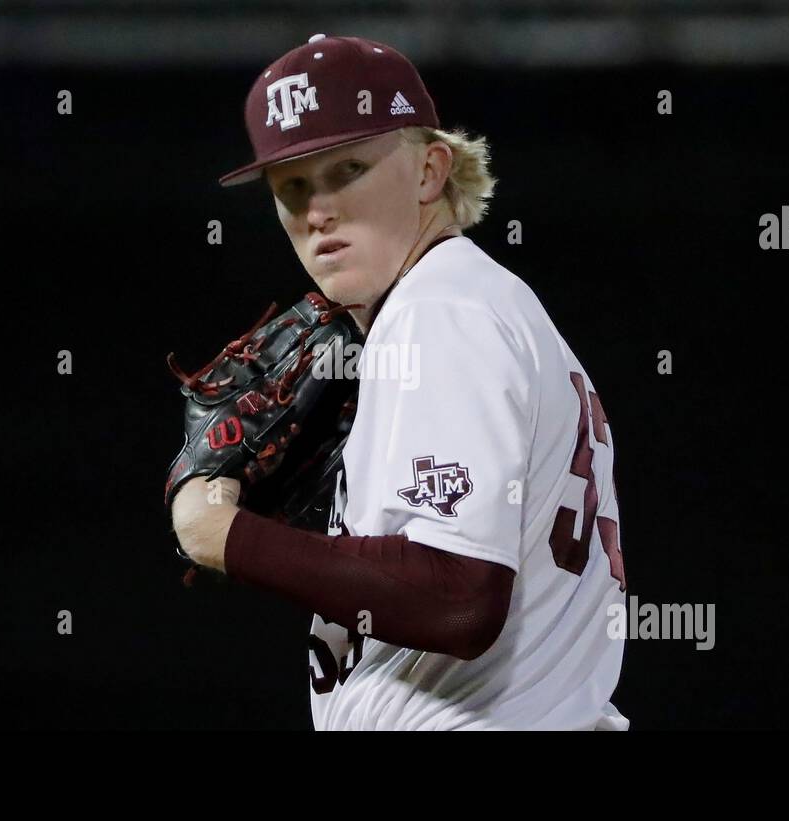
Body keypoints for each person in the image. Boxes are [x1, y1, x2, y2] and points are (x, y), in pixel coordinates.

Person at [171, 33, 628, 730]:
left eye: (348, 169)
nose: (318, 212)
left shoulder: (439, 308)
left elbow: (459, 597)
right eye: (292, 188)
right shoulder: (471, 304)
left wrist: (222, 534)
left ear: (430, 171)